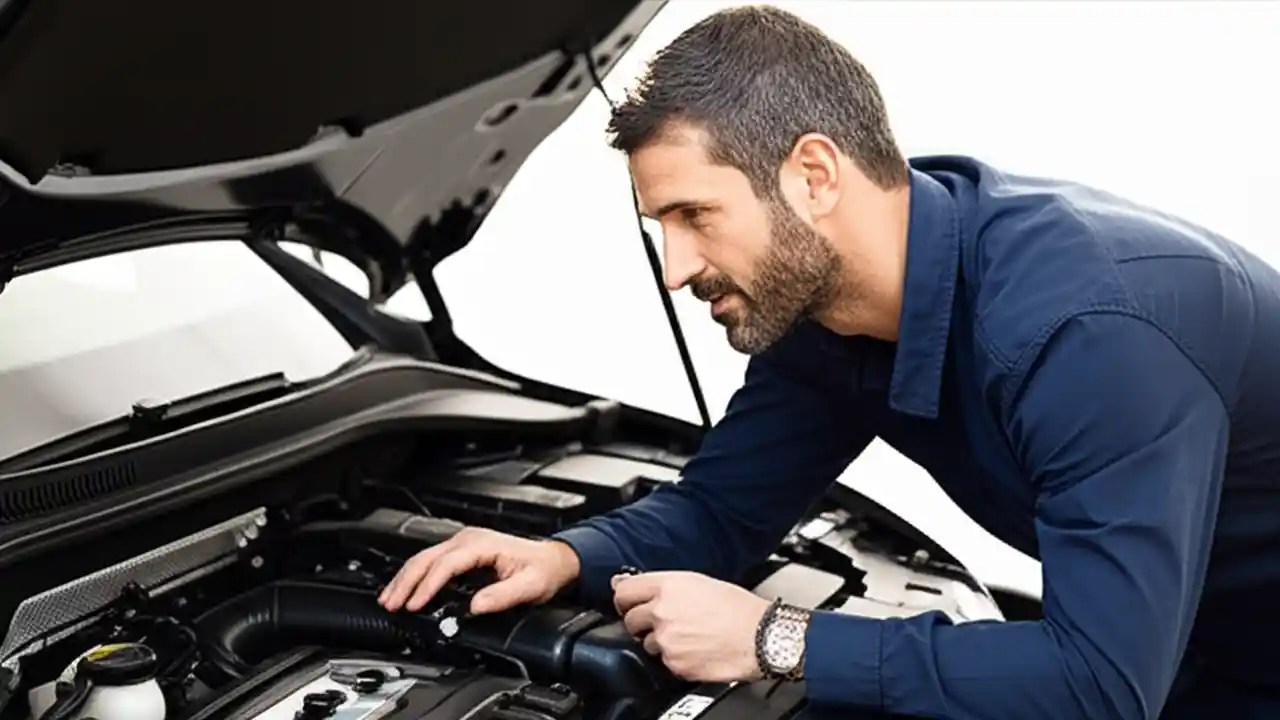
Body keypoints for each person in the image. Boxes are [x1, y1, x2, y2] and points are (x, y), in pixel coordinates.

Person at [379, 5, 1280, 718]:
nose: (678, 267)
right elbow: (721, 510)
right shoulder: (824, 313)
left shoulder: (1085, 334)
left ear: (813, 175)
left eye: (695, 215)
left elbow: (1099, 686)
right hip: (1189, 646)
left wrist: (781, 639)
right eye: (662, 227)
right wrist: (564, 558)